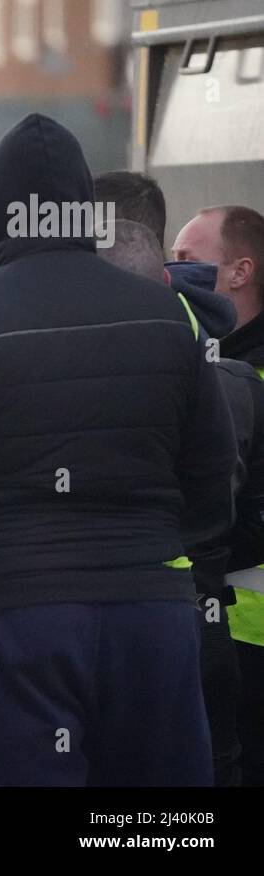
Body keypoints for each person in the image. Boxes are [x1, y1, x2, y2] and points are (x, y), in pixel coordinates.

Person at [0, 114, 235, 786]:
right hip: (150, 613)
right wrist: (149, 546)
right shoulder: (166, 316)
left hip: (6, 618)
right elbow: (214, 471)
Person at [95, 171, 264, 786]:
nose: (178, 268)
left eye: (189, 258)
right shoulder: (225, 372)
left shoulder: (230, 378)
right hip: (208, 623)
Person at [172, 202, 264, 785]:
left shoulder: (241, 374)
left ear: (240, 271)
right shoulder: (209, 361)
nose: (172, 271)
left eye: (186, 259)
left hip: (248, 637)